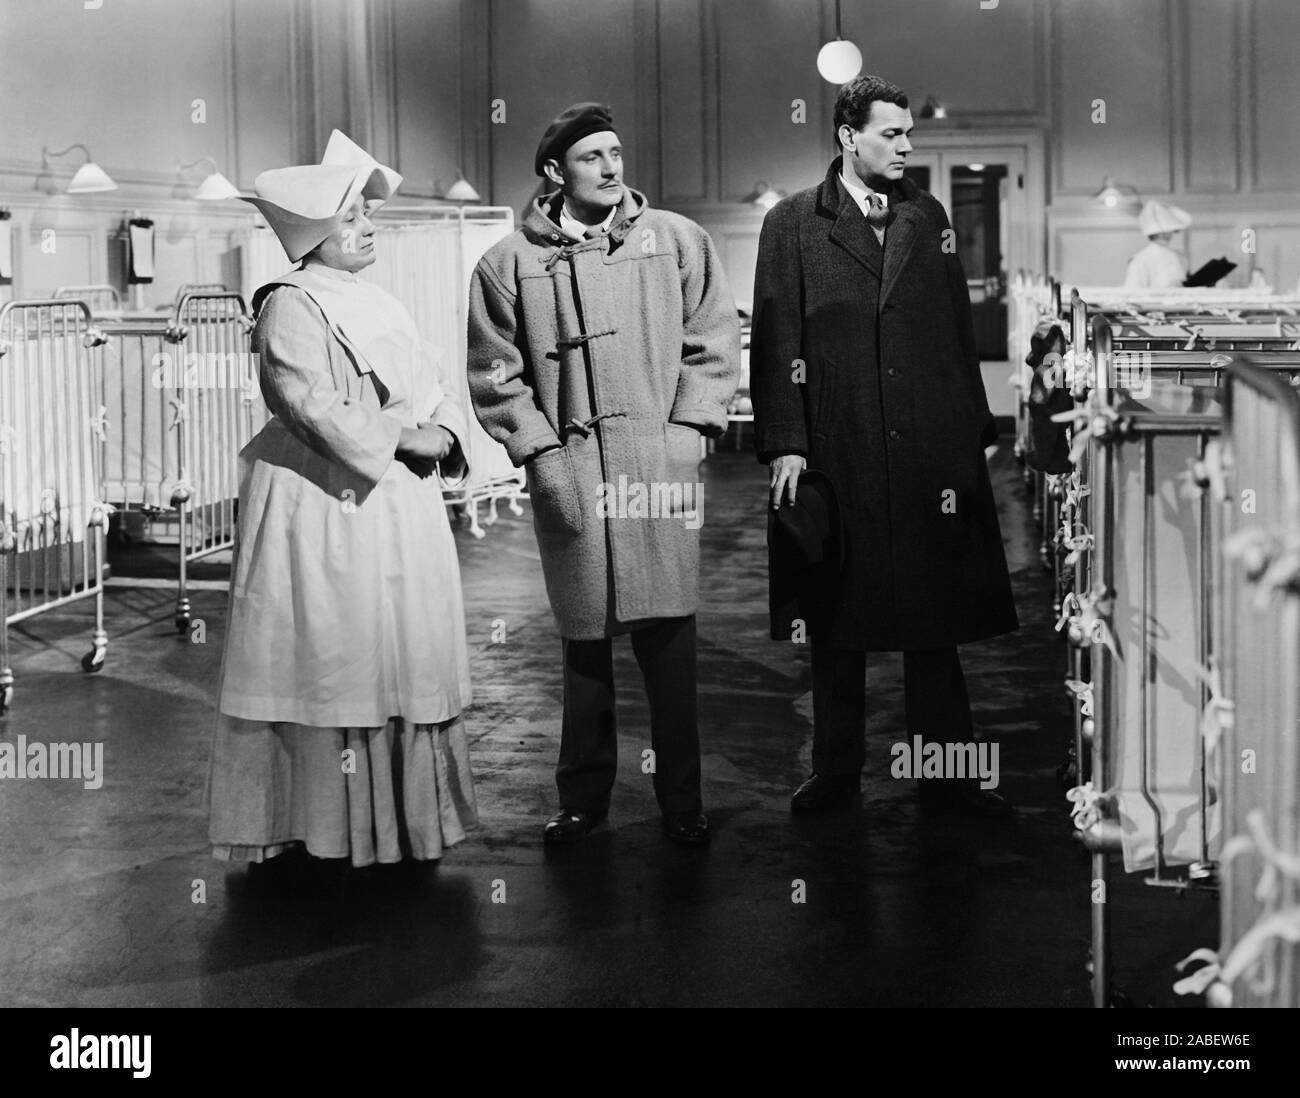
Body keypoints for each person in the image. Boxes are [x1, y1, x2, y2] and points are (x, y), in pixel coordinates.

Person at [467, 103, 740, 846]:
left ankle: (682, 800)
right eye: (593, 157)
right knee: (583, 643)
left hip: (657, 465)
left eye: (616, 152)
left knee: (670, 640)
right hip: (574, 470)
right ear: (554, 172)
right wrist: (541, 453)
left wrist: (687, 433)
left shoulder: (675, 240)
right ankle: (583, 800)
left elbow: (714, 342)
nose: (613, 168)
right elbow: (496, 376)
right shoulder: (507, 263)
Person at [207, 131, 478, 875]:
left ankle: (401, 825)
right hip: (323, 505)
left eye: (366, 214)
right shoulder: (289, 304)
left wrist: (446, 430)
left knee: (399, 650)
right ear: (313, 235)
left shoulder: (380, 300)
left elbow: (433, 382)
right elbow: (307, 403)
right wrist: (405, 438)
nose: (367, 226)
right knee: (333, 654)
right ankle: (322, 826)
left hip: (398, 506)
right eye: (350, 217)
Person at [750, 74, 1019, 816]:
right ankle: (836, 774)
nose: (906, 146)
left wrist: (973, 431)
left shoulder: (926, 215)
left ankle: (949, 777)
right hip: (841, 446)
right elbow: (777, 338)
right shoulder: (794, 223)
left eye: (908, 134)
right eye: (891, 133)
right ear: (848, 135)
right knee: (837, 620)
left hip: (927, 446)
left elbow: (954, 330)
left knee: (936, 623)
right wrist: (786, 442)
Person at [1124, 201, 1192, 289]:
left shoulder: (1179, 257)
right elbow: (1134, 290)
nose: (1165, 235)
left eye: (1168, 231)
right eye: (1161, 232)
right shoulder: (1140, 259)